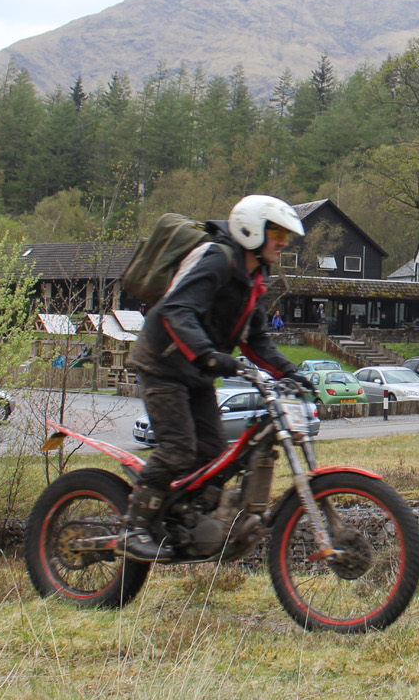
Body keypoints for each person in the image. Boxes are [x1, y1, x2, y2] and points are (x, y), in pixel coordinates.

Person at [120, 194, 310, 562]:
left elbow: (256, 340)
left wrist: (292, 373)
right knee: (178, 449)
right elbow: (177, 310)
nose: (283, 242)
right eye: (276, 232)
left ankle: (181, 520)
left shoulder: (254, 275)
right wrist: (209, 355)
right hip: (163, 363)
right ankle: (134, 527)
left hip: (196, 372)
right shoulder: (218, 260)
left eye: (286, 235)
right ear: (252, 230)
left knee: (214, 454)